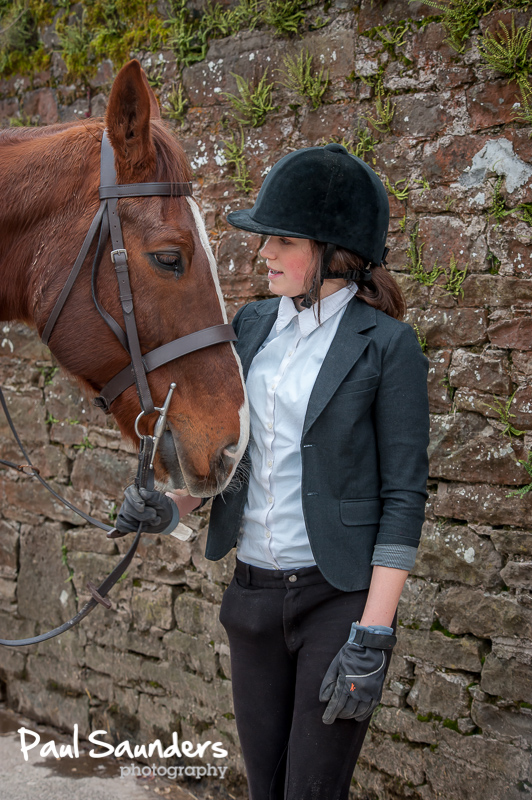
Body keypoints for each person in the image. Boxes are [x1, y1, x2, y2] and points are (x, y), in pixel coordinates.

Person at [116, 143, 430, 800]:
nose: (261, 254)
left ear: (331, 249)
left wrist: (372, 634)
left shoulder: (388, 346)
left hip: (337, 603)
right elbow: (234, 458)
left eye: (279, 240)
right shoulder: (251, 326)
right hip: (252, 599)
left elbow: (403, 497)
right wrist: (172, 508)